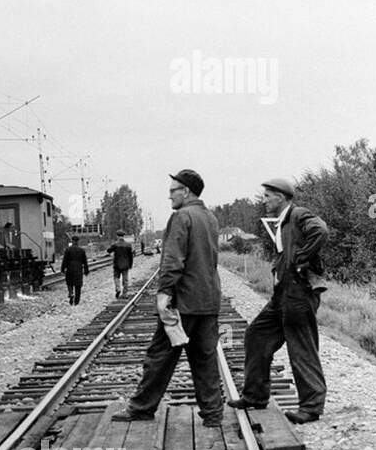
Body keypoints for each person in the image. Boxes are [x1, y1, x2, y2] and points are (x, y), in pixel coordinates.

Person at [118, 169, 223, 427]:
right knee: (205, 359)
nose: (170, 197)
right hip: (208, 300)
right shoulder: (210, 218)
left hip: (184, 302)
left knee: (160, 356)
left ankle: (142, 407)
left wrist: (164, 293)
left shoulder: (181, 217)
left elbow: (173, 259)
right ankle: (213, 414)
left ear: (185, 191)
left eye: (172, 191)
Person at [227, 177, 328, 424]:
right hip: (282, 294)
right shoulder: (283, 222)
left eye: (267, 196)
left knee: (301, 348)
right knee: (256, 335)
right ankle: (255, 395)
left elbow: (321, 231)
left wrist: (301, 258)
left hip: (299, 293)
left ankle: (311, 407)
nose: (263, 201)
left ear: (281, 197)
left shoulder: (298, 214)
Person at [60, 234, 89, 305]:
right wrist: (86, 270)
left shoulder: (68, 249)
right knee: (78, 285)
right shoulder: (82, 250)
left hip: (70, 268)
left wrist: (62, 269)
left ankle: (71, 293)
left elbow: (65, 260)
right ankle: (76, 301)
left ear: (72, 241)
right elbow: (85, 261)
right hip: (78, 268)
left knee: (69, 282)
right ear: (78, 241)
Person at [106, 230, 135, 296]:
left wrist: (110, 249)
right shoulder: (128, 245)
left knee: (116, 277)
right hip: (125, 265)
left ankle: (118, 288)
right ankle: (125, 294)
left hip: (117, 265)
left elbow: (109, 251)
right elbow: (131, 256)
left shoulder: (115, 244)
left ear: (117, 236)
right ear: (123, 236)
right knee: (125, 280)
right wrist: (130, 264)